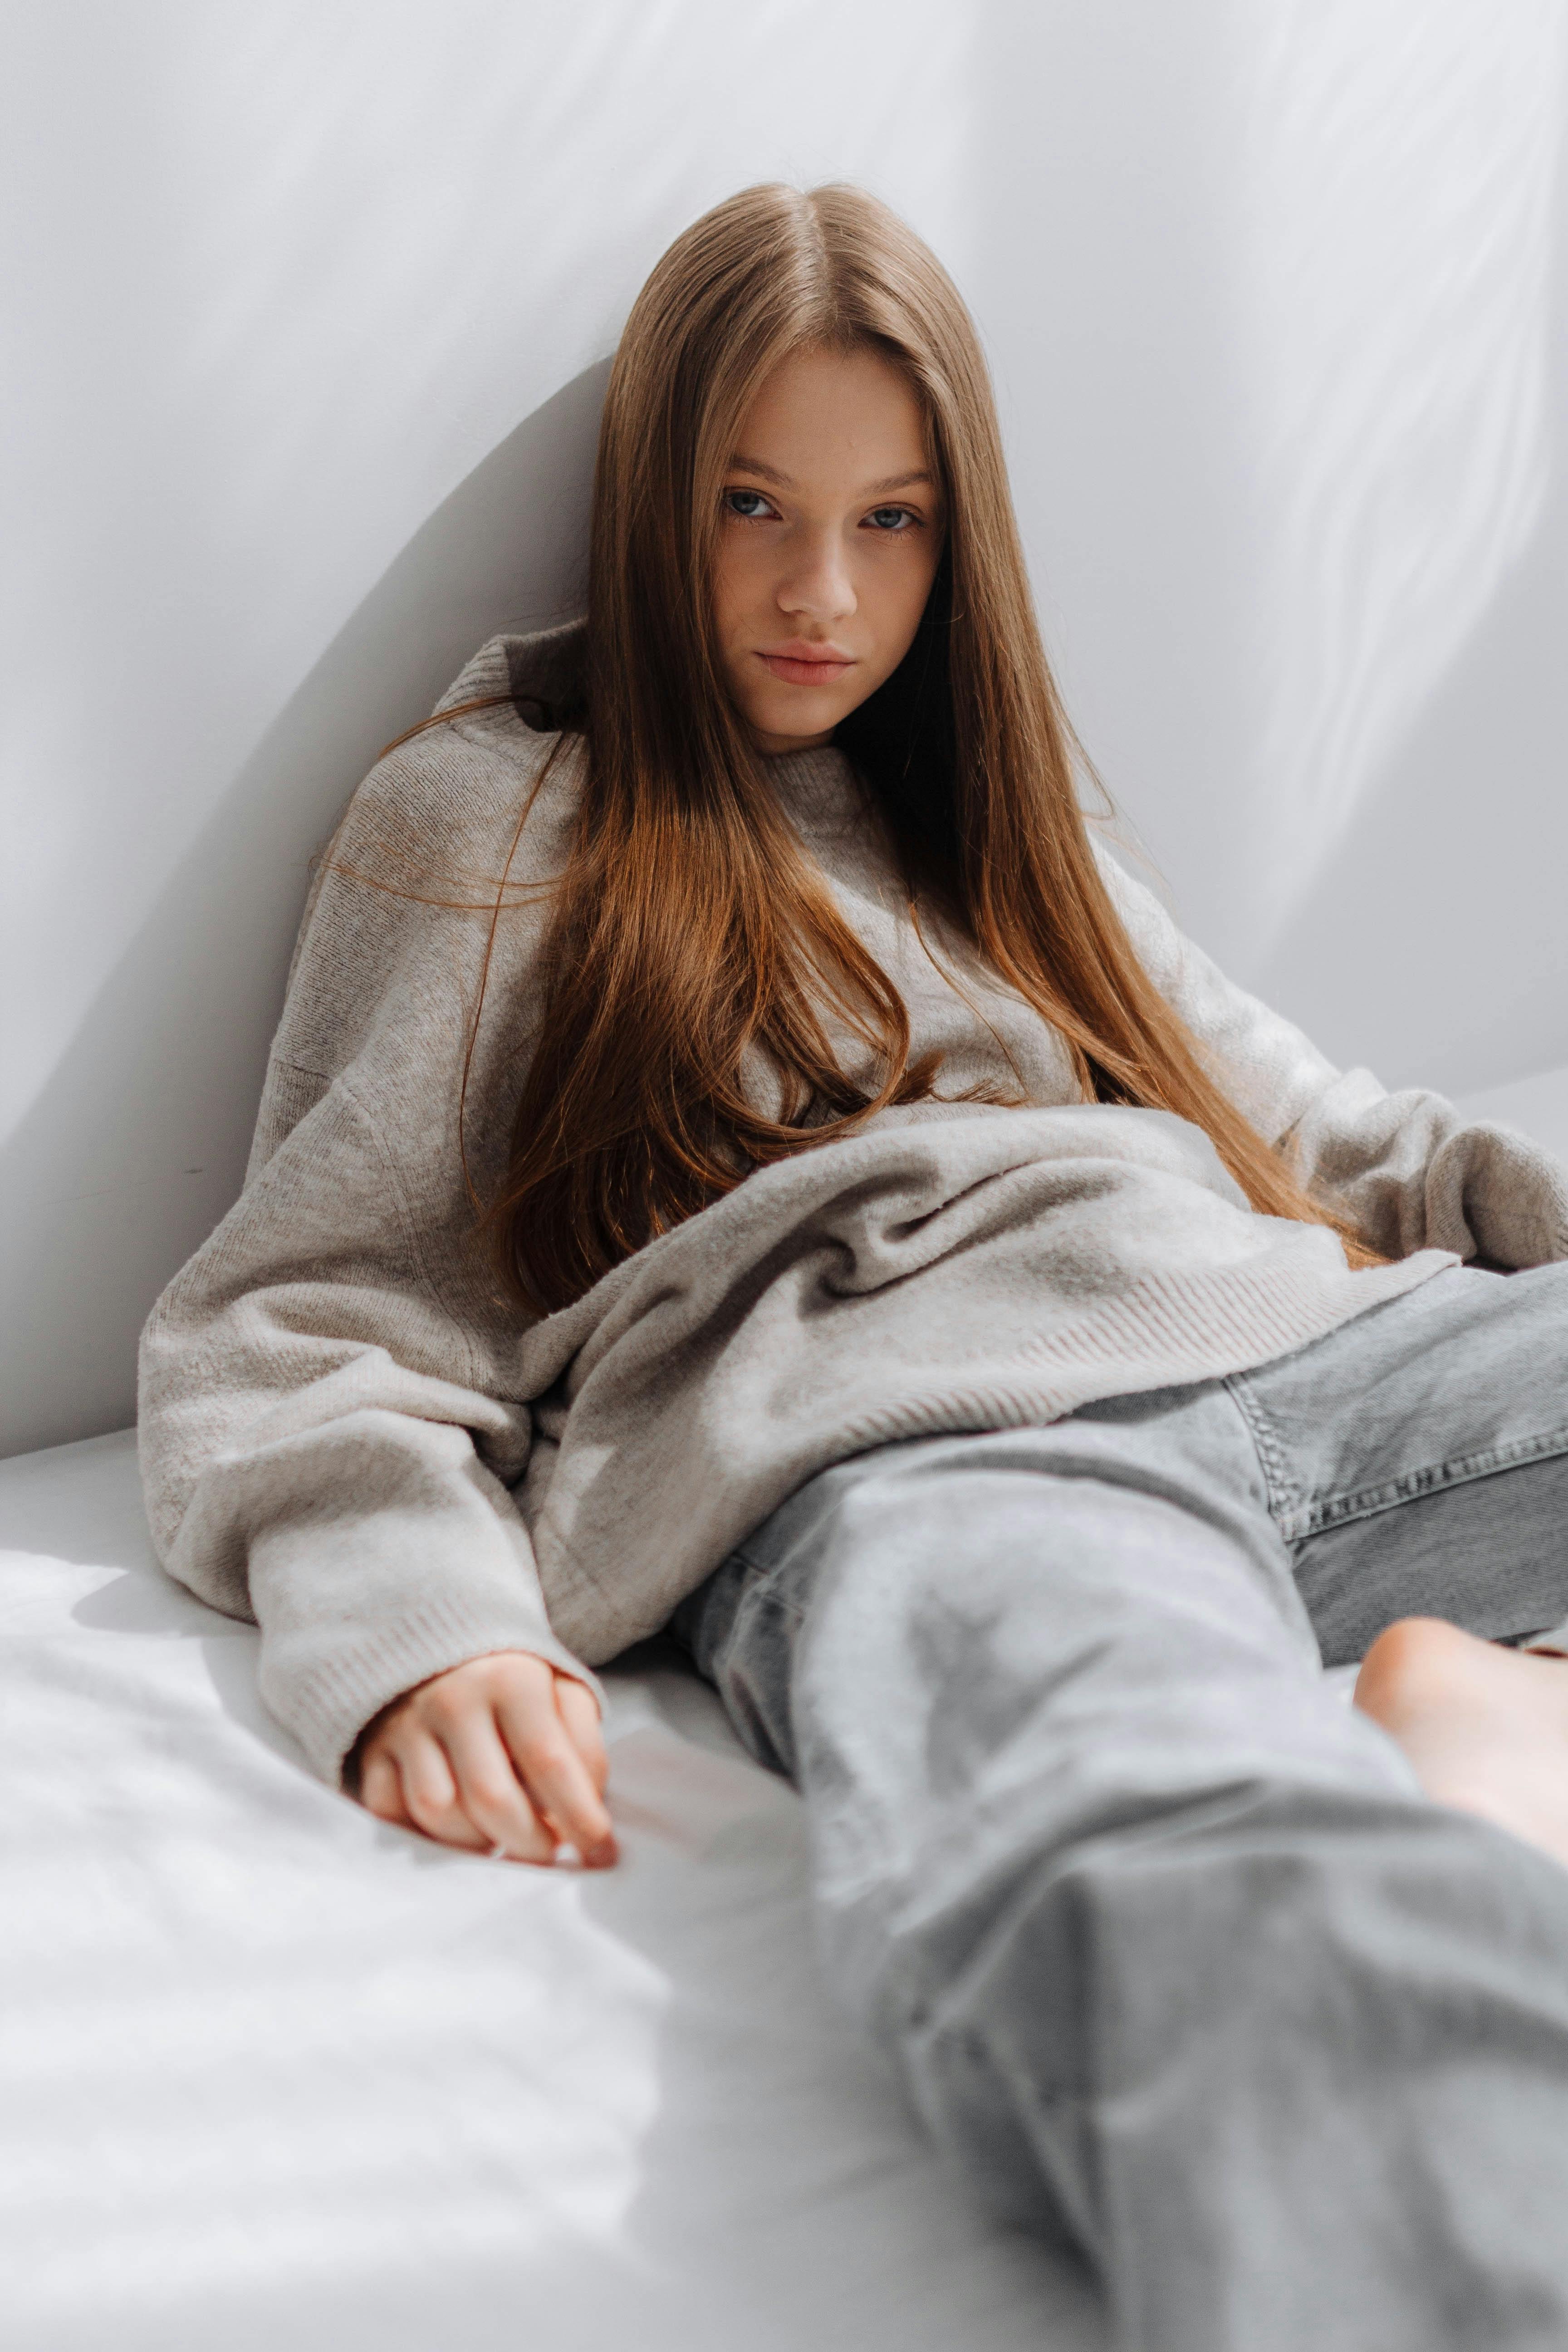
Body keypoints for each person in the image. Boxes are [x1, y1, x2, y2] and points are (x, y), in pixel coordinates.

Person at [140, 183, 1568, 2349]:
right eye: (753, 509)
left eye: (892, 523)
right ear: (652, 503)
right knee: (1191, 1884)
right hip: (917, 1449)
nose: (822, 596)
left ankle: (1491, 1713)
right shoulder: (495, 825)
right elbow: (302, 1317)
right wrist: (417, 1624)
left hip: (1307, 1349)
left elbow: (1316, 1128)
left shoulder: (990, 810)